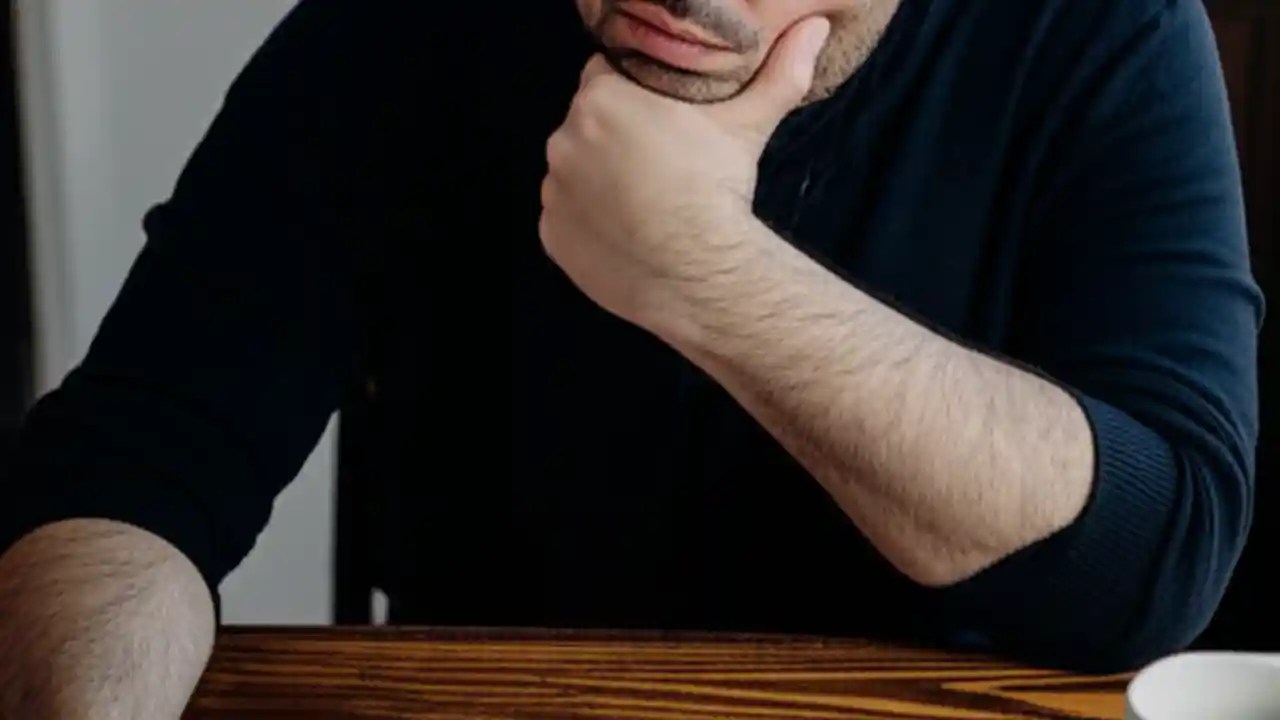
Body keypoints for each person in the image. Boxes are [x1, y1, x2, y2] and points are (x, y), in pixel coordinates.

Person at [0, 0, 1263, 715]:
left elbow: (1161, 560)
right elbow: (123, 482)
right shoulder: (388, 32)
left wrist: (707, 276)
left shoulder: (1099, 33)